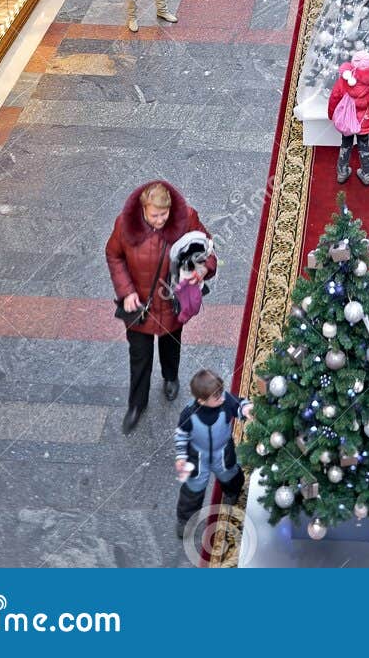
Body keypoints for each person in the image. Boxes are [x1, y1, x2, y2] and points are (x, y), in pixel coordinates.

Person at [106, 181, 216, 435]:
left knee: (171, 343)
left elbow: (208, 251)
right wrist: (126, 292)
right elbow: (114, 255)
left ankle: (170, 376)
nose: (159, 221)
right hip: (140, 306)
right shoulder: (124, 224)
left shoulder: (186, 217)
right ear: (143, 209)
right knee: (139, 356)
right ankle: (137, 404)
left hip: (171, 301)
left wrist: (201, 270)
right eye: (154, 215)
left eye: (164, 215)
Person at [175, 369, 252, 539]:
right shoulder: (188, 414)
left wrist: (246, 408)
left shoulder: (225, 402)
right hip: (198, 456)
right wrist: (181, 457)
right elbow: (181, 435)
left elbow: (238, 404)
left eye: (221, 393)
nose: (223, 397)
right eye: (217, 397)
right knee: (193, 489)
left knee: (231, 475)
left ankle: (231, 492)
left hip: (223, 451)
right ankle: (185, 519)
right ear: (202, 400)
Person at [328, 47, 369, 186]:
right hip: (363, 122)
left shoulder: (344, 80)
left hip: (347, 121)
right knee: (364, 147)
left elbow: (334, 97)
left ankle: (342, 172)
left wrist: (331, 114)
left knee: (345, 144)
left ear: (353, 63)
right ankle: (366, 174)